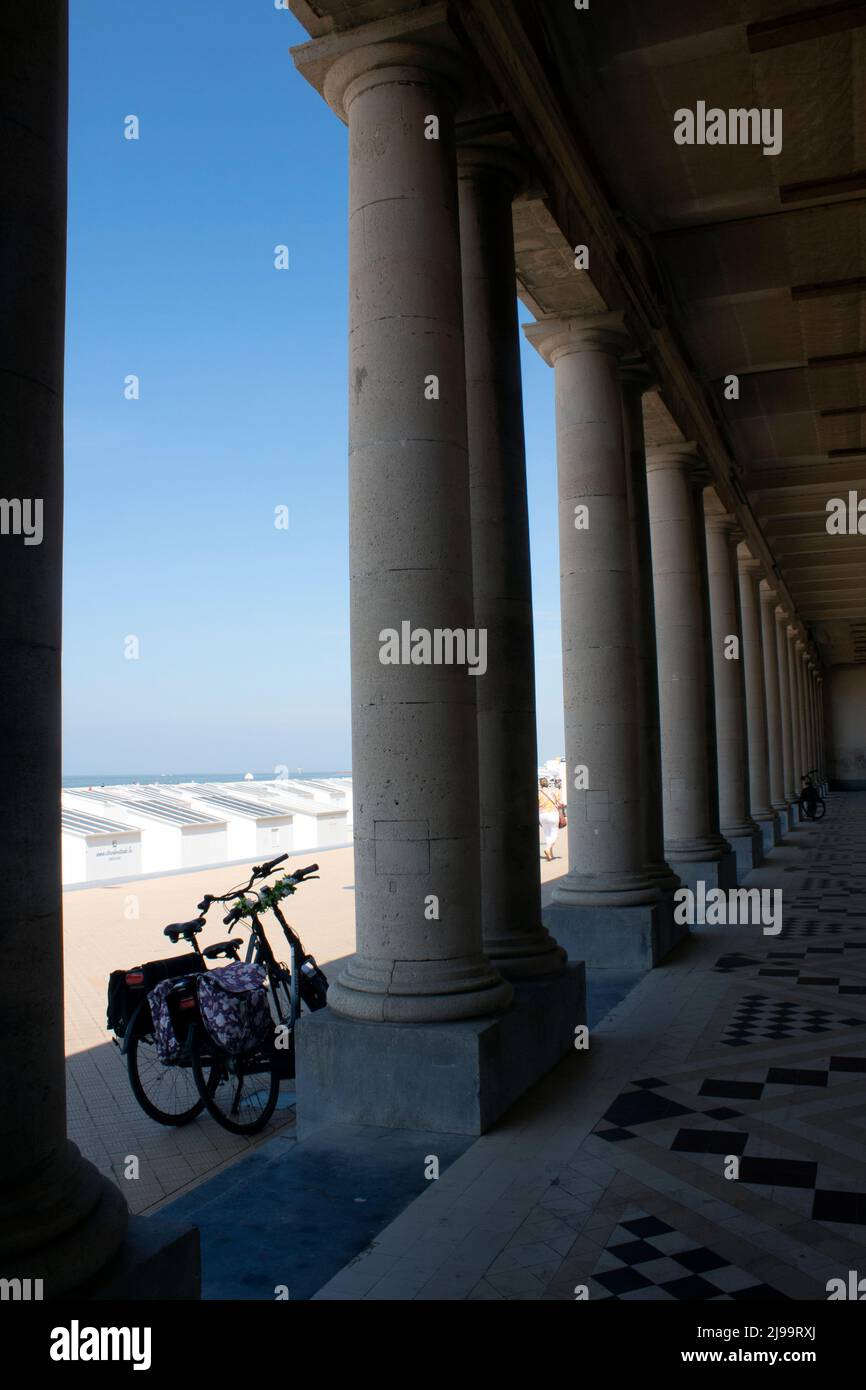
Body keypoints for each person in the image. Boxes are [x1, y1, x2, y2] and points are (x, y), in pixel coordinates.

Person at [538, 777, 563, 862]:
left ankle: (550, 855)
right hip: (552, 813)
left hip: (542, 815)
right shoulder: (554, 791)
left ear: (540, 784)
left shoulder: (538, 793)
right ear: (547, 783)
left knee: (547, 834)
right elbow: (560, 803)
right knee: (554, 833)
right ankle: (548, 849)